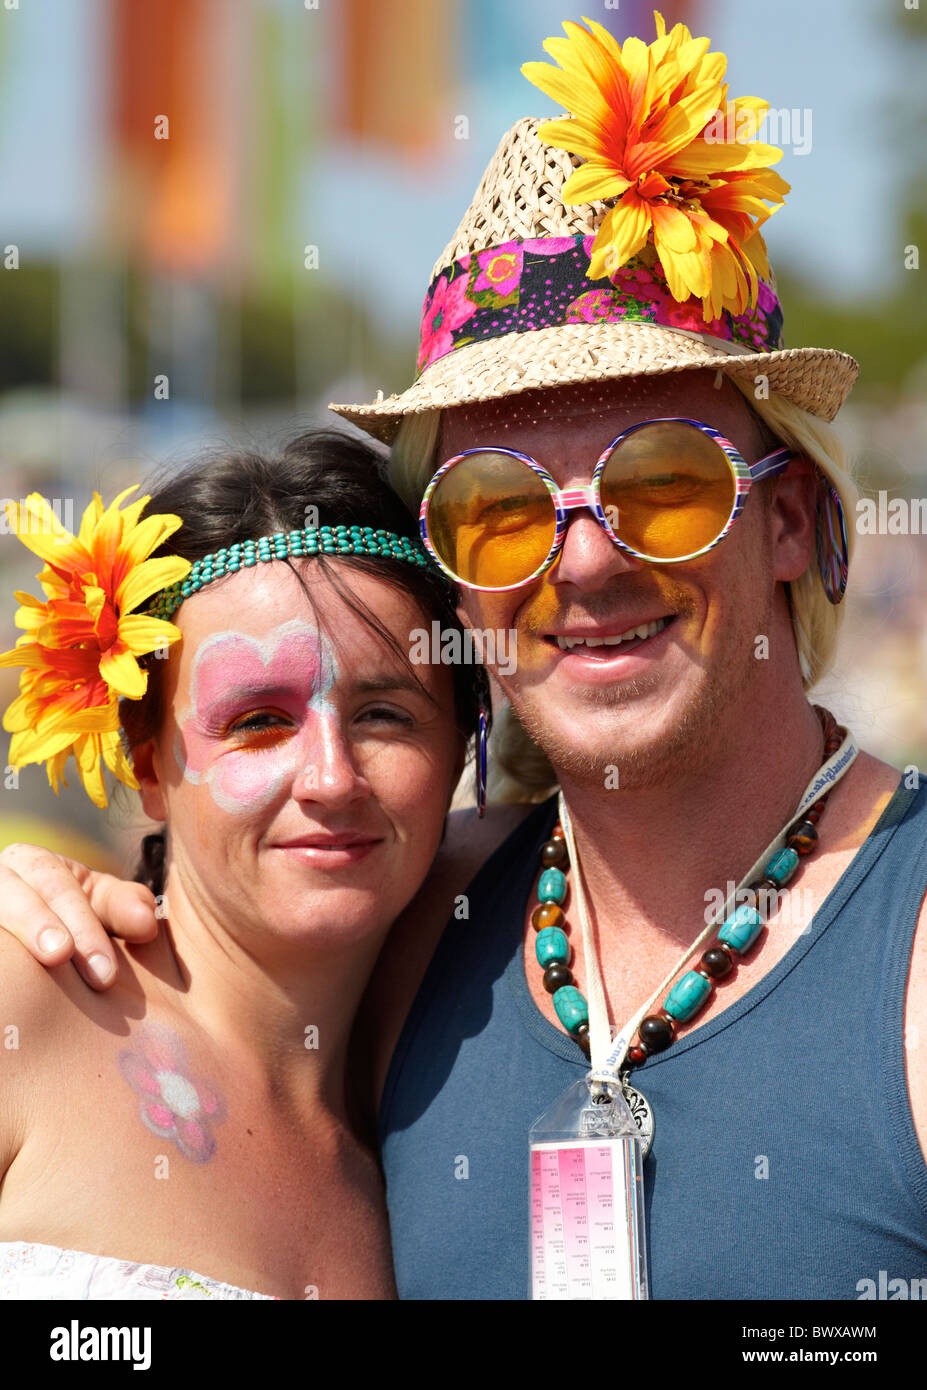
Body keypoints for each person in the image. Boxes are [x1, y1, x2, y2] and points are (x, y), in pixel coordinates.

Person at [3, 13, 927, 1300]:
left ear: (792, 515)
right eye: (498, 507)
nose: (587, 561)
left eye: (664, 482)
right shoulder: (428, 941)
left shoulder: (907, 950)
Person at [0, 429, 483, 1299]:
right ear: (147, 762)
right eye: (258, 719)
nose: (332, 778)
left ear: (460, 749)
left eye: (385, 715)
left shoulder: (427, 1159)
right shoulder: (27, 1000)